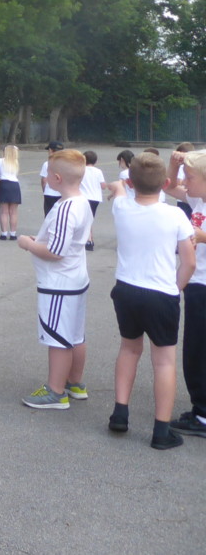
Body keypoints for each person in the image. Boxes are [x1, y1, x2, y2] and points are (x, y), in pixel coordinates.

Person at [102, 152, 196, 449]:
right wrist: (175, 288)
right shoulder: (175, 215)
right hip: (160, 293)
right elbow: (189, 262)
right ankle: (161, 430)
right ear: (166, 183)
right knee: (164, 361)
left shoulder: (122, 207)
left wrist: (121, 185)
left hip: (126, 288)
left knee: (129, 349)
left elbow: (119, 189)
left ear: (131, 182)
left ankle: (120, 412)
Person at [17, 148, 92, 410]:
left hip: (60, 283)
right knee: (75, 334)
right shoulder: (81, 201)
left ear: (58, 178)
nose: (45, 176)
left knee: (58, 338)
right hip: (74, 279)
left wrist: (27, 243)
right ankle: (75, 383)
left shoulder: (65, 208)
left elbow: (55, 252)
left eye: (48, 173)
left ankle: (56, 391)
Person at [167, 150, 206, 438]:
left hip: (203, 286)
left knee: (197, 350)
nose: (185, 181)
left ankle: (202, 413)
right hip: (196, 283)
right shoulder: (196, 199)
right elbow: (168, 186)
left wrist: (202, 235)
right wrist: (175, 164)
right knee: (195, 347)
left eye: (190, 177)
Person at [80, 150, 107, 251]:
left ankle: (88, 240)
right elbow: (103, 186)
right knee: (89, 218)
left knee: (85, 219)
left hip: (83, 197)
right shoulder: (98, 171)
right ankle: (90, 239)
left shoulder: (81, 170)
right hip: (95, 198)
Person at [0, 144, 22, 240]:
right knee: (13, 212)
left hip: (4, 184)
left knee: (4, 212)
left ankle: (4, 233)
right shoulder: (15, 162)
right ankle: (13, 234)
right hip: (15, 185)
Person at [38, 141, 64, 216]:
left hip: (50, 193)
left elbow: (44, 180)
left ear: (51, 150)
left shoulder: (47, 163)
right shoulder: (66, 163)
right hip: (62, 193)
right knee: (60, 214)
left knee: (49, 214)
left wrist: (44, 190)